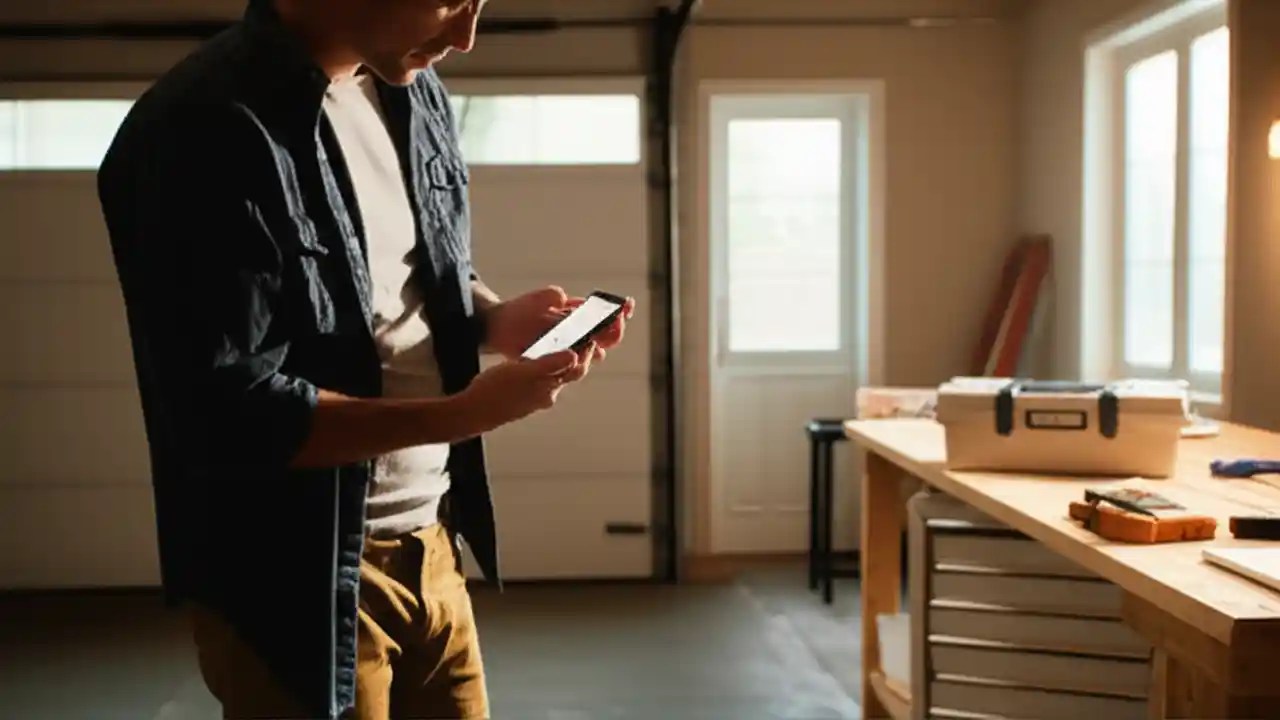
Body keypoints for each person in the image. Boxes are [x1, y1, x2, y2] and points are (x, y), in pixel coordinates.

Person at [96, 0, 635, 718]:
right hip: (289, 584)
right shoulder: (202, 129)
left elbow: (397, 280)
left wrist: (494, 320)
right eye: (450, 2)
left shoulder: (412, 89)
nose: (466, 37)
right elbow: (229, 410)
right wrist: (462, 414)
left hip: (432, 547)